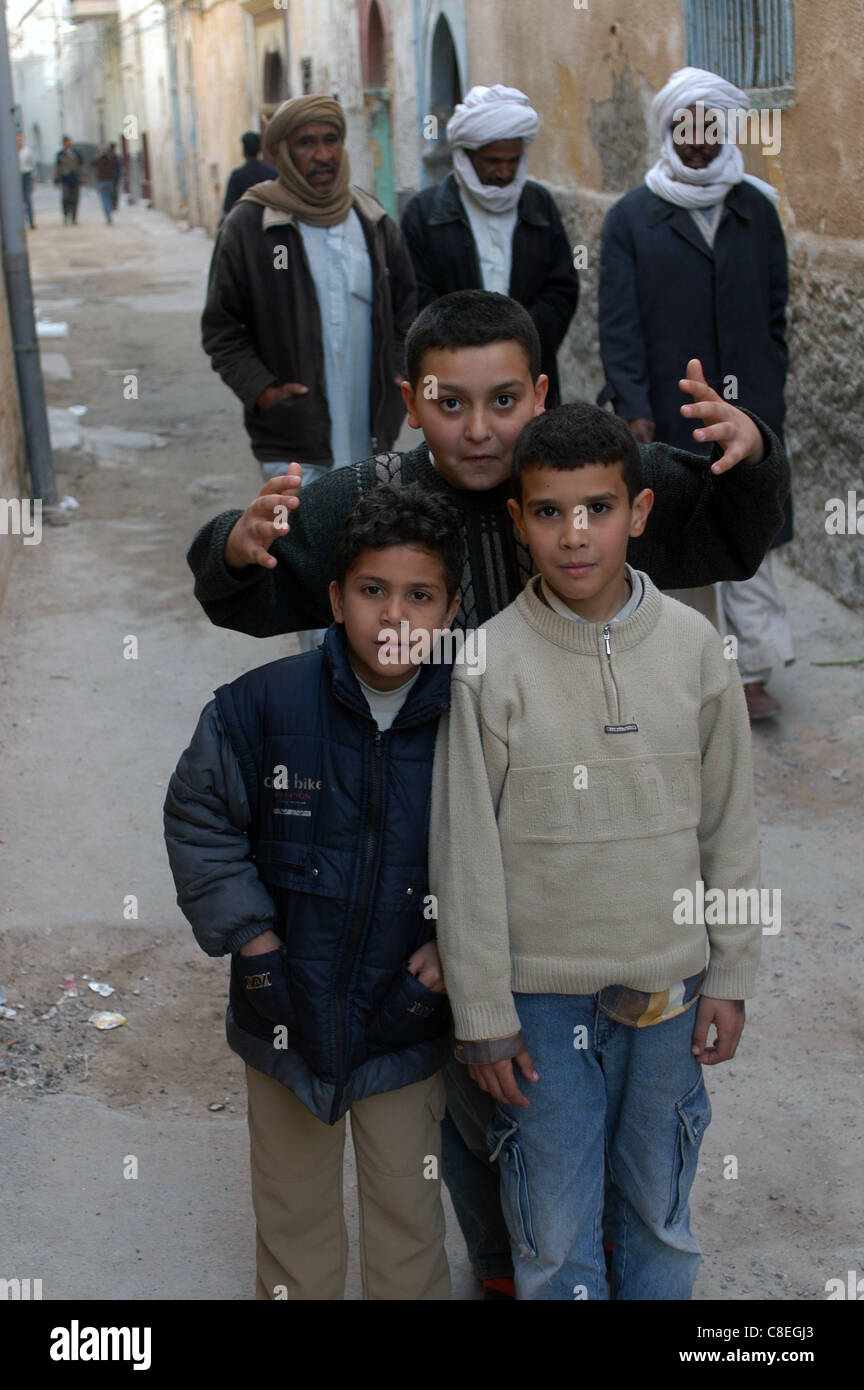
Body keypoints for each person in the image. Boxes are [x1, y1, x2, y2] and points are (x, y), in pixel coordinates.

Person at [186, 289, 789, 1299]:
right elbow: (256, 576)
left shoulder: (575, 475)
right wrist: (232, 549)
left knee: (559, 1105)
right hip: (412, 842)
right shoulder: (362, 502)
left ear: (539, 392)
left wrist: (754, 450)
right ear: (409, 401)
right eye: (449, 402)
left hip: (556, 867)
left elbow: (727, 527)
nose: (480, 428)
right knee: (463, 1082)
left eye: (504, 399)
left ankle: (579, 1252)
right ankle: (511, 1263)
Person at [429, 403, 762, 1300]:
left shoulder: (696, 651)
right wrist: (483, 1012)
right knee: (555, 1225)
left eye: (598, 508)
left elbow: (728, 824)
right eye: (548, 512)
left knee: (657, 1210)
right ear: (517, 520)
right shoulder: (488, 664)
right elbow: (464, 855)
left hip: (668, 992)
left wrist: (730, 972)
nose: (574, 536)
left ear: (640, 512)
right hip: (537, 1008)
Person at [165, 484, 464, 1300]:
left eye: (419, 595)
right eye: (372, 591)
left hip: (407, 1016)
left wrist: (453, 951)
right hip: (282, 1010)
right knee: (292, 1215)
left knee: (408, 1214)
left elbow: (516, 845)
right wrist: (253, 943)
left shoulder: (476, 718)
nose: (393, 616)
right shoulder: (262, 706)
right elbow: (200, 818)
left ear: (451, 609)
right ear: (335, 598)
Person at [598, 66, 794, 719]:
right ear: (668, 131)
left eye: (713, 131)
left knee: (752, 531)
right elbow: (618, 322)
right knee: (684, 535)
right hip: (670, 402)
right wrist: (633, 409)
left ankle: (752, 673)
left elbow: (775, 309)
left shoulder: (756, 209)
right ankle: (694, 672)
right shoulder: (632, 217)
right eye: (689, 130)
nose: (702, 145)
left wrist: (768, 391)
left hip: (750, 405)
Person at [201, 93, 416, 649]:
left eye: (330, 139)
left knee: (372, 556)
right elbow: (222, 328)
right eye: (306, 143)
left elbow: (406, 313)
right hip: (297, 435)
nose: (321, 155)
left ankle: (373, 667)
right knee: (306, 555)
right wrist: (265, 391)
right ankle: (322, 684)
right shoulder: (251, 225)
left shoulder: (372, 220)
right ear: (282, 152)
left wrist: (398, 378)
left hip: (370, 429)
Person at [401, 84, 578, 407]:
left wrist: (517, 340)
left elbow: (562, 289)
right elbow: (416, 295)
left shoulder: (539, 204)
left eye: (513, 161)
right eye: (493, 161)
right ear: (466, 156)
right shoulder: (424, 214)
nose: (504, 171)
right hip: (454, 382)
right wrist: (469, 346)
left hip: (527, 373)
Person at [220, 130, 277, 223]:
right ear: (259, 149)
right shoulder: (273, 173)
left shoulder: (237, 175)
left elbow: (228, 209)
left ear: (243, 151)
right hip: (271, 226)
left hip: (246, 228)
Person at [53, 135, 86, 224]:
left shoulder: (77, 152)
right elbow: (57, 167)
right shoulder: (60, 154)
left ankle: (74, 217)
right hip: (65, 178)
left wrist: (83, 175)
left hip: (75, 178)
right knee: (66, 197)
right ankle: (66, 214)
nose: (67, 143)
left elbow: (81, 165)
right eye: (65, 142)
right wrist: (56, 179)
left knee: (75, 198)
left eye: (68, 141)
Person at [92, 146, 120, 224]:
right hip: (110, 182)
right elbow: (117, 163)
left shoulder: (99, 161)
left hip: (103, 182)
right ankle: (109, 214)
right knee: (109, 199)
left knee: (105, 200)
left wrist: (97, 157)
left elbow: (92, 163)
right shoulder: (111, 160)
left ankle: (108, 215)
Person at [18, 132, 35, 230]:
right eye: (17, 138)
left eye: (20, 138)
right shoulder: (10, 149)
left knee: (28, 198)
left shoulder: (27, 151)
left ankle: (31, 220)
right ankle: (20, 220)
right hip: (16, 177)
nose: (19, 140)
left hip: (26, 175)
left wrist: (33, 178)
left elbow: (32, 165)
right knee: (18, 200)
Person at [109, 141, 122, 211]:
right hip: (114, 176)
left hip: (111, 176)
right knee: (114, 191)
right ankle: (114, 205)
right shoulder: (114, 156)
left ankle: (113, 205)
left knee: (113, 191)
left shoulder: (110, 155)